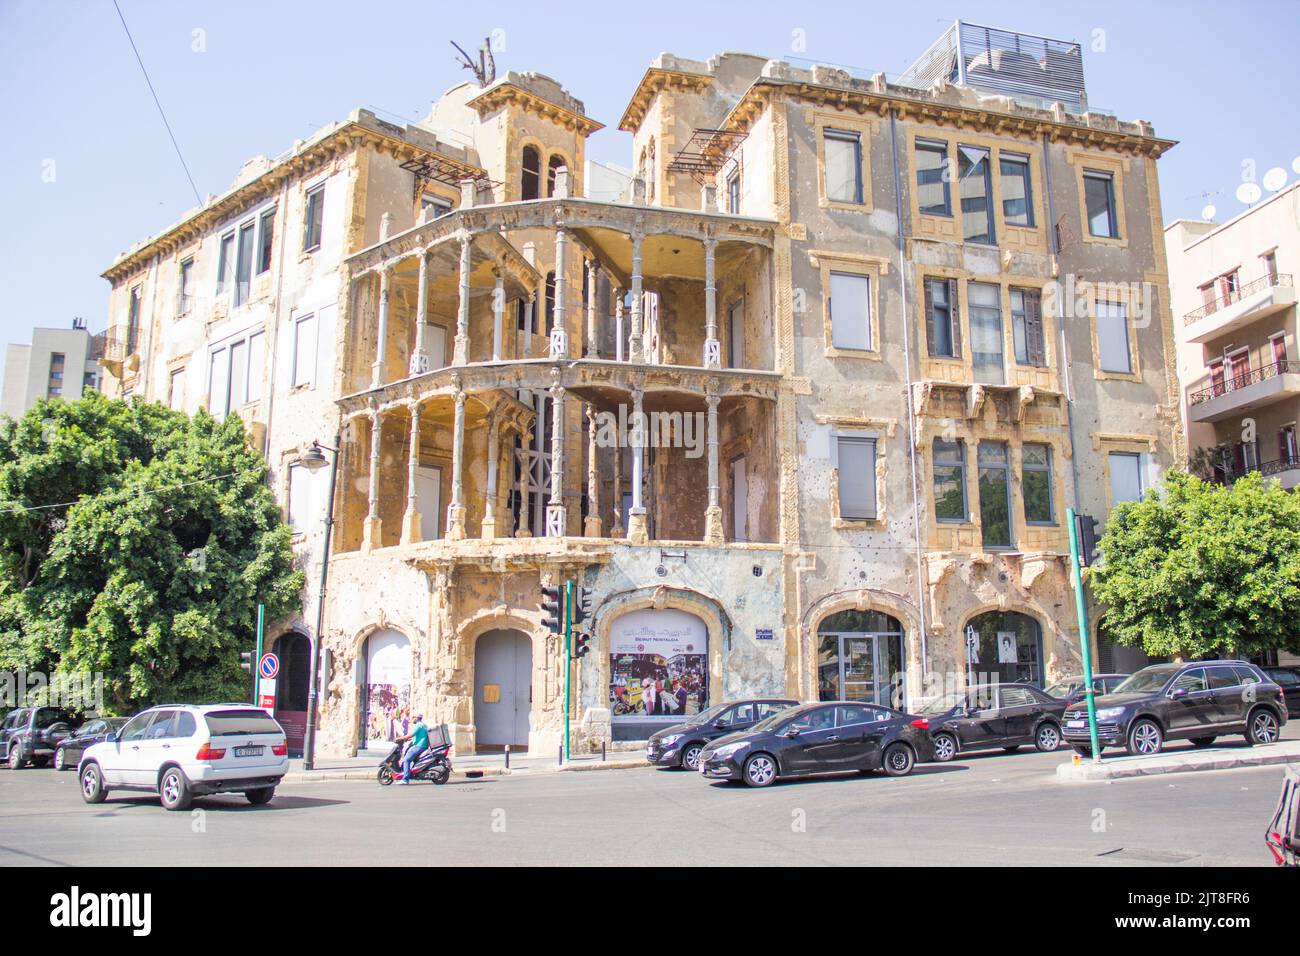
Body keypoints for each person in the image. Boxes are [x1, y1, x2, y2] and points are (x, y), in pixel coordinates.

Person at [396, 713, 429, 784]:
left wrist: (400, 738)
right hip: (423, 745)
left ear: (416, 718)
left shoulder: (418, 725)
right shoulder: (423, 725)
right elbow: (417, 736)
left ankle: (405, 779)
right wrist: (407, 739)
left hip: (419, 746)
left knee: (406, 760)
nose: (412, 719)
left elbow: (412, 734)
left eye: (413, 717)